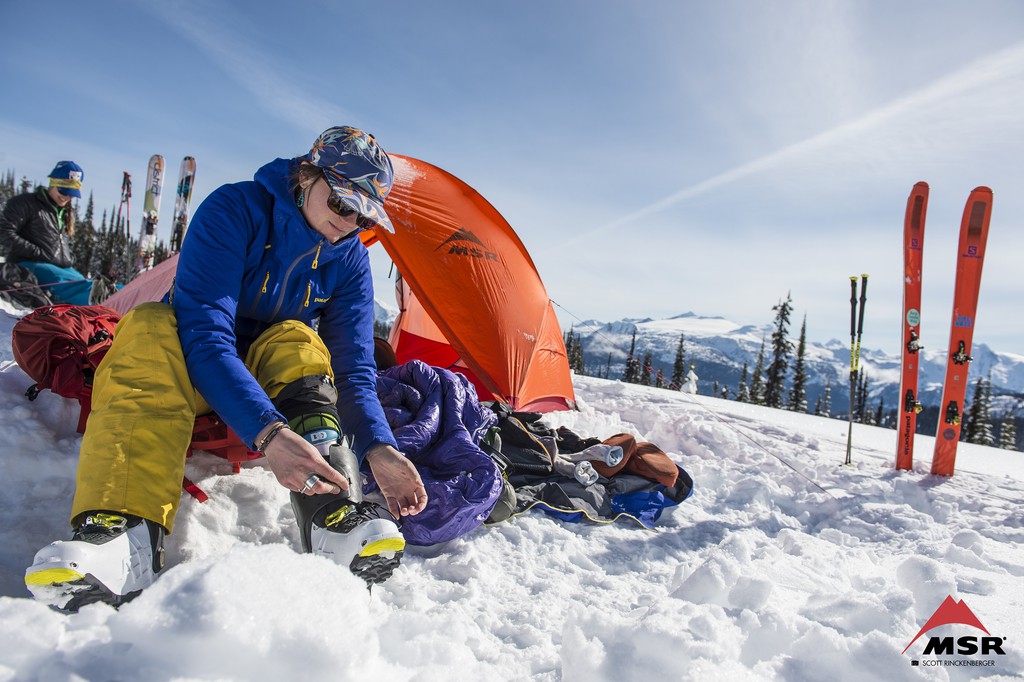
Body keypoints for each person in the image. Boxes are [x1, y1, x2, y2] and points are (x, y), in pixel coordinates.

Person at [25, 127, 428, 612]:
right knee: (150, 324)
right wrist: (269, 434)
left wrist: (379, 447)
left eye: (363, 216)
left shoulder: (349, 260)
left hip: (267, 391)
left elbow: (356, 371)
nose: (348, 223)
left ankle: (332, 520)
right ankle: (122, 532)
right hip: (190, 374)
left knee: (298, 340)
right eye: (341, 203)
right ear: (305, 175)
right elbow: (204, 335)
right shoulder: (235, 210)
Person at [0, 161, 93, 305]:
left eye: (71, 194)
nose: (66, 197)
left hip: (62, 267)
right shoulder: (26, 203)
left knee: (91, 284)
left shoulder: (64, 212)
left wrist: (70, 258)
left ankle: (122, 296)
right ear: (52, 183)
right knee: (79, 289)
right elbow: (4, 232)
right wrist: (36, 252)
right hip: (29, 264)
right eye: (63, 191)